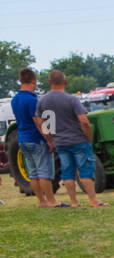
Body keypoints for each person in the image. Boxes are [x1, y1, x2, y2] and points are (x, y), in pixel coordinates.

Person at [37, 70, 106, 207]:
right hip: (78, 140)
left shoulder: (42, 101)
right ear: (65, 82)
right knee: (85, 170)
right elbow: (84, 121)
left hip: (60, 142)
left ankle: (74, 201)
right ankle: (93, 200)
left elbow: (42, 123)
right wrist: (88, 138)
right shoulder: (72, 99)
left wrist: (50, 140)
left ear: (49, 82)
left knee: (67, 172)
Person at [12, 68, 56, 207]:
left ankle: (41, 201)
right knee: (44, 171)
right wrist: (49, 140)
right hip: (36, 139)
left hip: (22, 139)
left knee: (33, 173)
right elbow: (38, 121)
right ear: (34, 81)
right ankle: (51, 201)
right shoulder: (32, 100)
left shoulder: (15, 99)